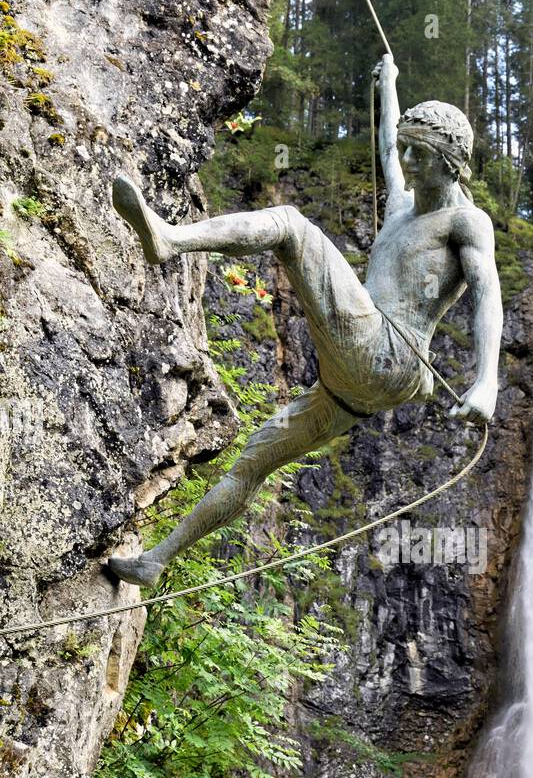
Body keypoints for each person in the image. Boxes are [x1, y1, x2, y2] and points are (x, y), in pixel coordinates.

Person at [107, 54, 503, 587]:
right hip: (349, 395)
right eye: (408, 148)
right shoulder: (401, 208)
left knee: (291, 227)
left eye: (421, 154)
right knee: (256, 457)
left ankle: (171, 239)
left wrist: (487, 382)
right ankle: (158, 559)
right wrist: (389, 85)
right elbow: (387, 144)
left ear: (453, 164)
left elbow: (488, 292)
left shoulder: (466, 221)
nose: (407, 160)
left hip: (389, 354)